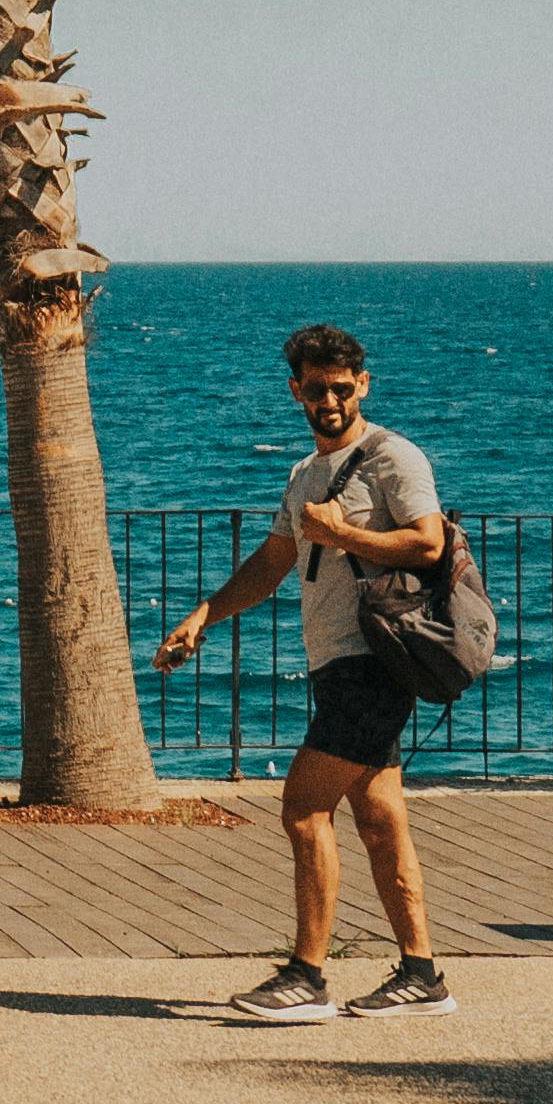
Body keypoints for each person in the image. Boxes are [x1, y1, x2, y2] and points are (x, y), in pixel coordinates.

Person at [155, 319, 457, 1023]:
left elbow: (427, 541)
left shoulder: (393, 459)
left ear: (364, 386)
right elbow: (272, 563)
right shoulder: (303, 475)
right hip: (335, 666)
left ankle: (307, 977)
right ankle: (423, 977)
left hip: (375, 663)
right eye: (316, 389)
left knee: (301, 806)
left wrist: (340, 532)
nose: (330, 401)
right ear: (296, 390)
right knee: (381, 821)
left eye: (343, 389)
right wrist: (204, 614)